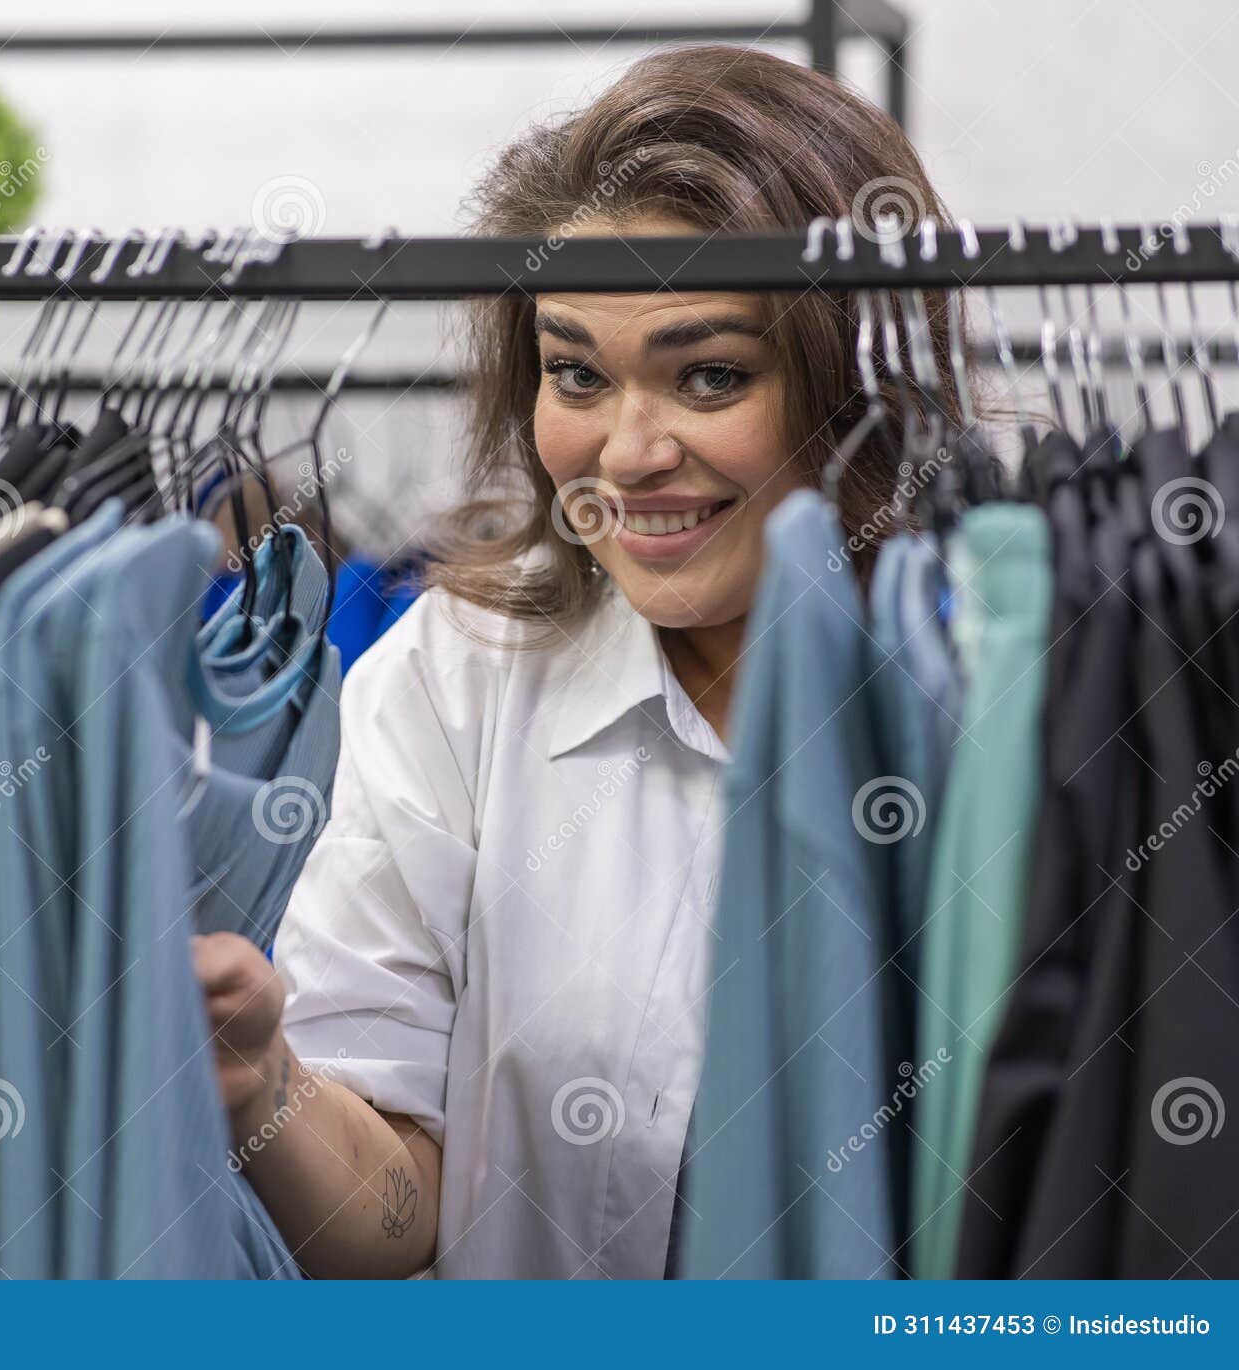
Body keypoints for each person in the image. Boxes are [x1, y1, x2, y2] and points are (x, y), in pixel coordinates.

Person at [195, 43, 962, 1279]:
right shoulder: (457, 678)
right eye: (576, 374)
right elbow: (398, 1214)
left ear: (856, 375)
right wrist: (259, 1090)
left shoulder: (1006, 697)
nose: (628, 448)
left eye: (710, 374)